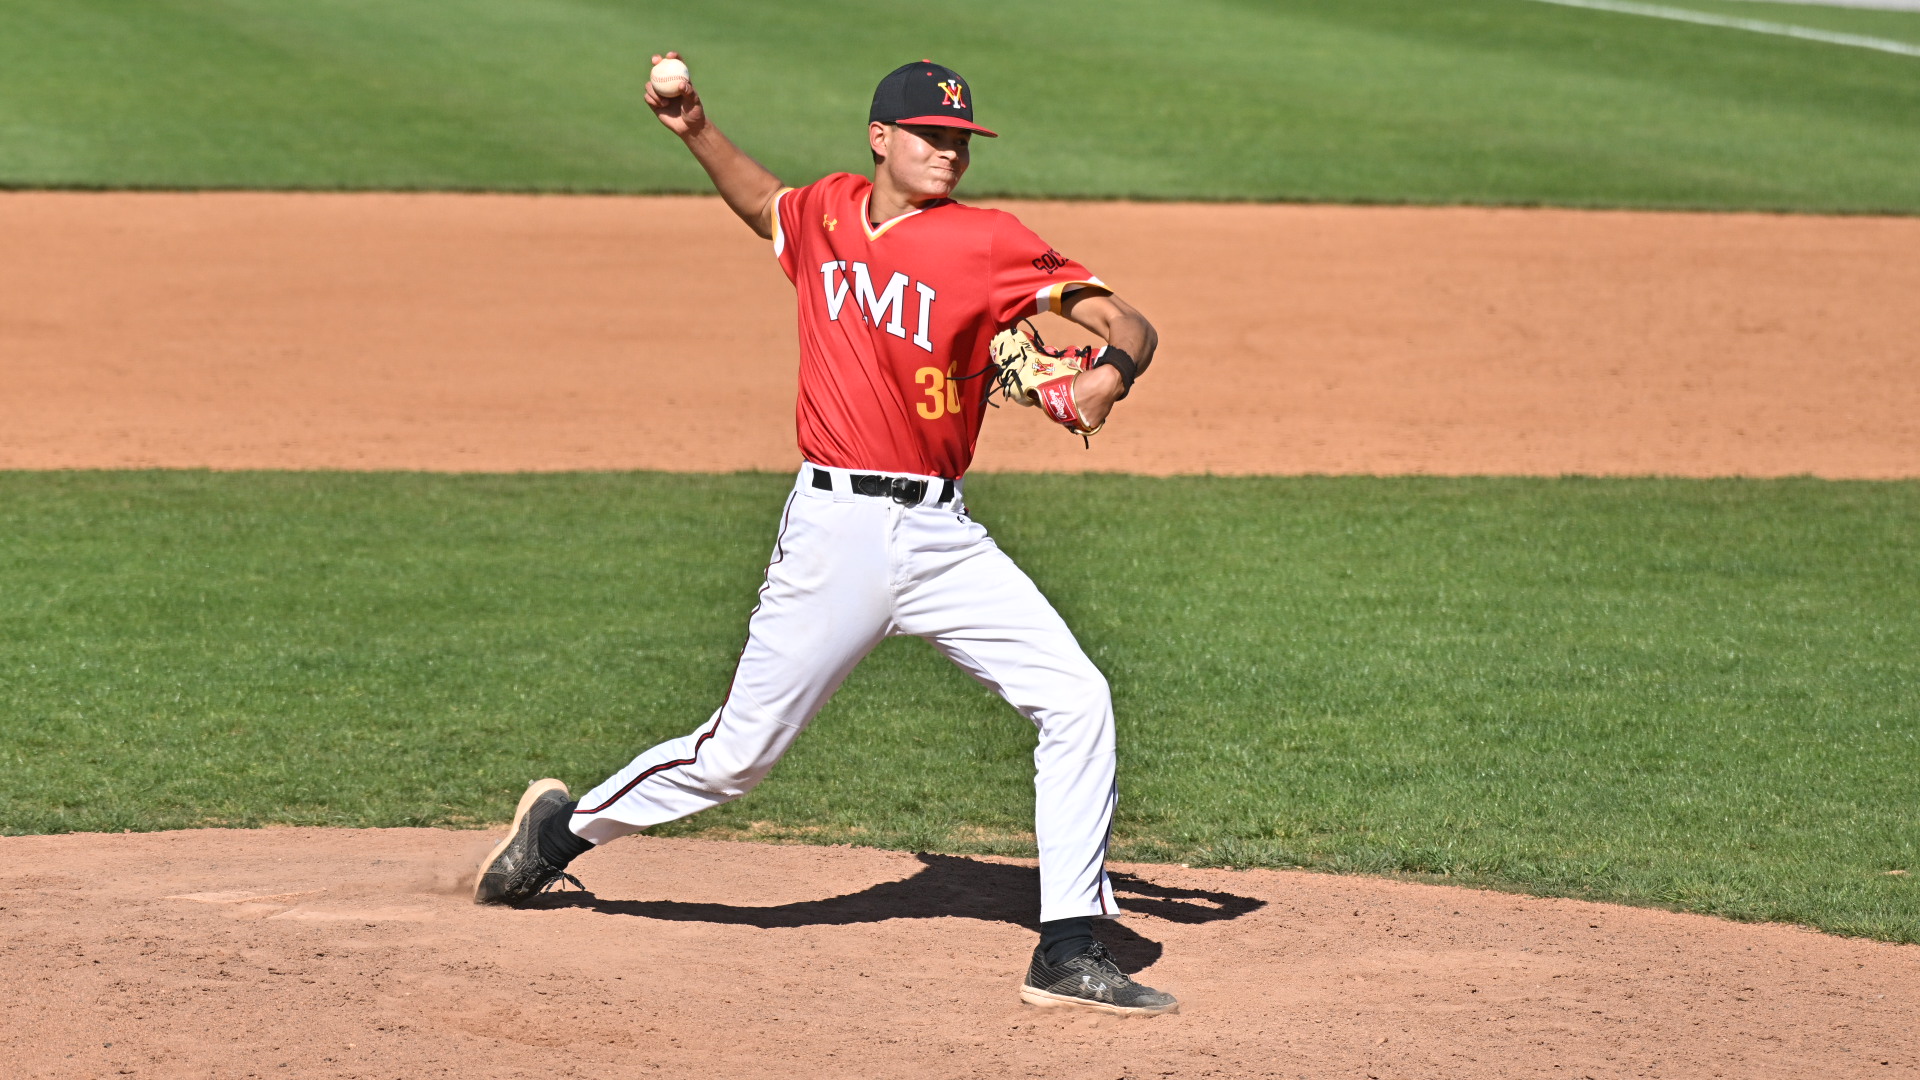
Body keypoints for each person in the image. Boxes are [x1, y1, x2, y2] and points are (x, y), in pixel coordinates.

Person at [474, 55, 1173, 1017]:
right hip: (834, 532)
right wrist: (693, 127)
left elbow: (1123, 319)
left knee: (1078, 699)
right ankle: (559, 834)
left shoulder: (991, 241)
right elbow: (763, 203)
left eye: (961, 140)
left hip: (943, 536)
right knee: (737, 757)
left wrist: (1109, 374)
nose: (949, 153)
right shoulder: (827, 214)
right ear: (881, 138)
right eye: (931, 135)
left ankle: (1067, 950)